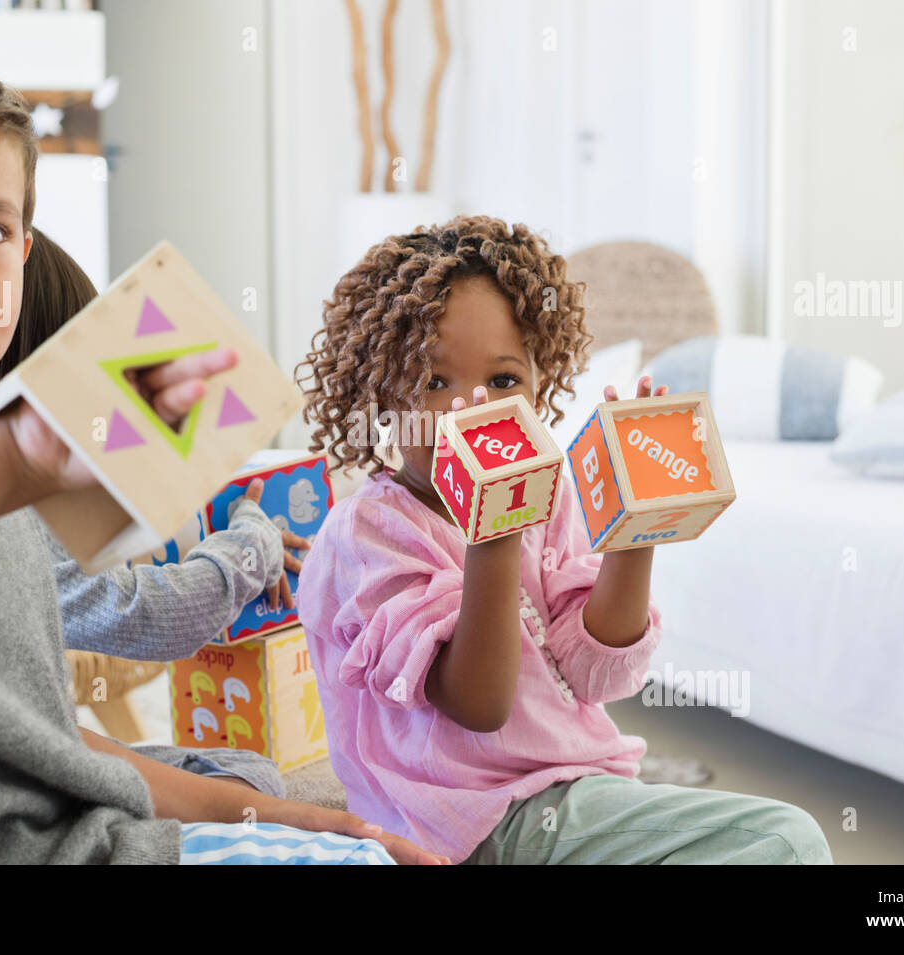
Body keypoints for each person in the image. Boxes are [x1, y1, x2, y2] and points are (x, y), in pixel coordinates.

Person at [0, 22, 448, 865]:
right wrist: (9, 464)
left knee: (330, 825)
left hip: (98, 831)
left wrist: (264, 811)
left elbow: (49, 743)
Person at [294, 214, 835, 864]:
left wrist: (633, 531)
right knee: (784, 841)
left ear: (538, 383)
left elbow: (596, 672)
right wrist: (493, 530)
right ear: (380, 394)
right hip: (471, 824)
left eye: (503, 381)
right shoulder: (369, 532)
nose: (475, 408)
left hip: (572, 793)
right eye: (435, 382)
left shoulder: (548, 503)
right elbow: (479, 702)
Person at [0, 226, 300, 798]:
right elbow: (149, 616)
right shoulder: (9, 508)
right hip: (15, 773)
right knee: (249, 781)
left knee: (244, 773)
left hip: (30, 744)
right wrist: (254, 538)